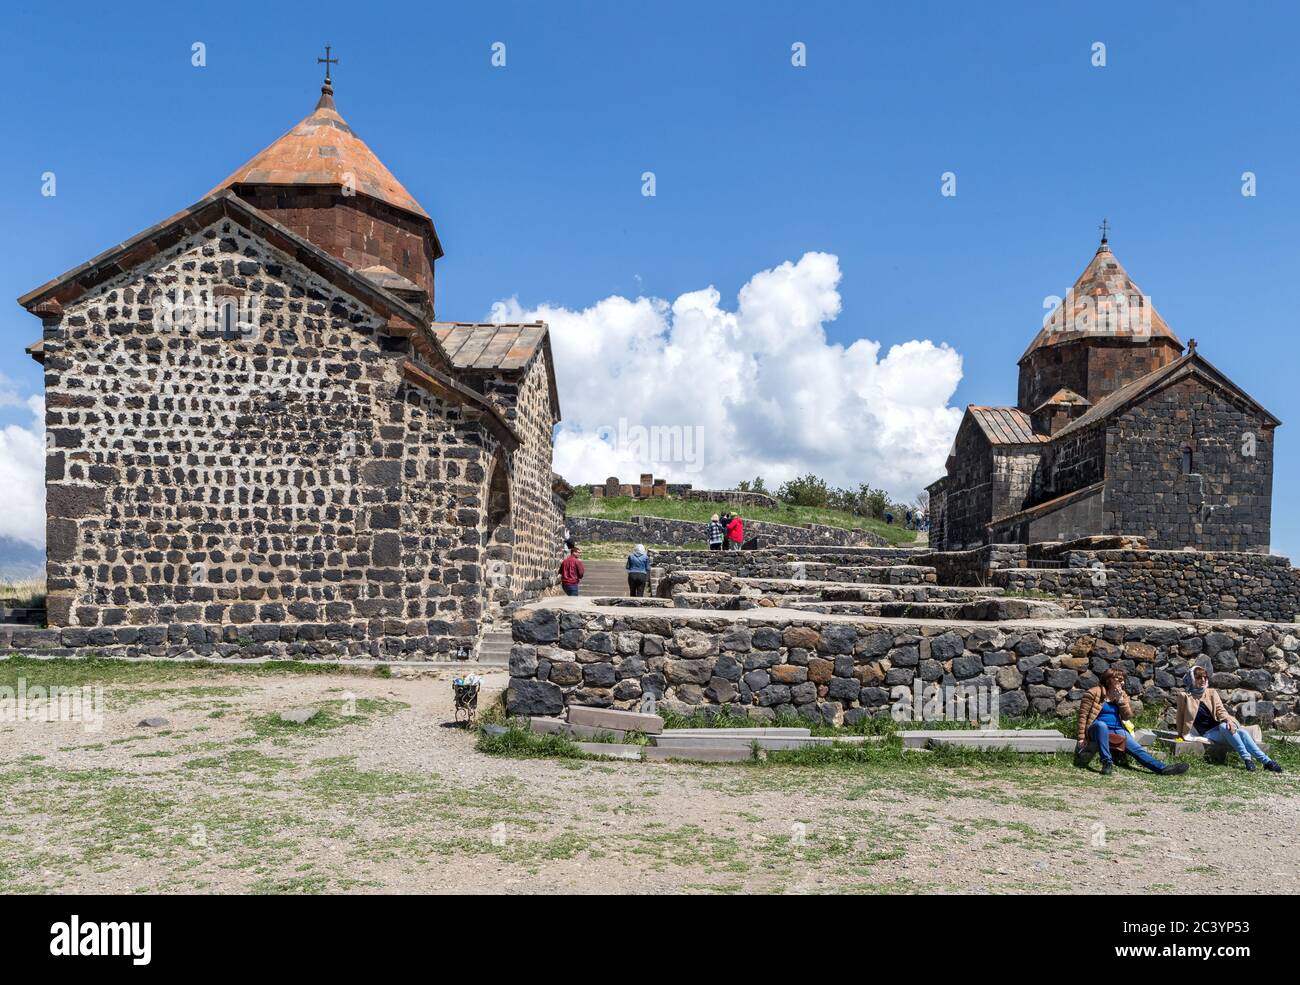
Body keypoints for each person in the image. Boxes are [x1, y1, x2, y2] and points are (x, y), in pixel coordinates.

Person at [1075, 668, 1189, 776]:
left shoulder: (1122, 695)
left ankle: (1162, 768)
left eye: (1123, 680)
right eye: (1119, 679)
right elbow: (1083, 716)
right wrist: (1081, 737)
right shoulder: (1094, 693)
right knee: (1101, 725)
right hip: (1096, 728)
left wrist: (1120, 701)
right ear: (1108, 679)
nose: (1122, 682)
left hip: (1117, 729)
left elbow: (1127, 717)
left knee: (1137, 749)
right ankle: (1107, 763)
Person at [1176, 666, 1282, 772]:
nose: (1203, 680)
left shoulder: (1211, 693)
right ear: (1192, 679)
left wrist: (1229, 721)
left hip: (1220, 728)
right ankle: (1266, 762)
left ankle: (1251, 760)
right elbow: (1180, 716)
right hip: (1207, 733)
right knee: (1241, 733)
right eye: (1199, 678)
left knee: (1230, 728)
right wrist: (1180, 734)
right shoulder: (1185, 696)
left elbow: (1221, 710)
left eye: (1205, 677)